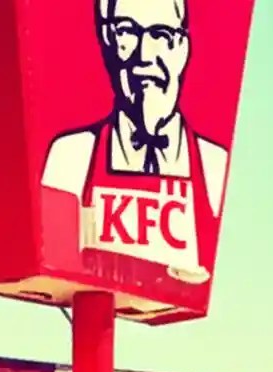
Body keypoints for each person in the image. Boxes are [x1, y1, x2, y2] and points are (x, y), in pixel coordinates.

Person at [41, 0, 229, 283]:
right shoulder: (70, 159)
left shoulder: (214, 165)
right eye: (127, 32)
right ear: (108, 41)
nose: (144, 56)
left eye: (161, 34)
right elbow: (57, 265)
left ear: (182, 48)